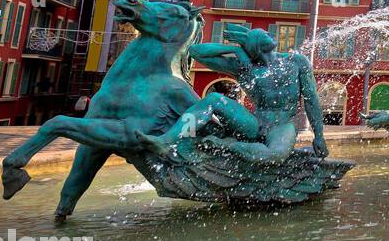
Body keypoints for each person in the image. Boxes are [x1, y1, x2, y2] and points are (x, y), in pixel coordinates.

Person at [139, 23, 328, 161]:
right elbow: (195, 51)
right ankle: (167, 140)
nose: (270, 34)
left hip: (282, 125)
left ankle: (224, 145)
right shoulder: (244, 68)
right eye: (263, 33)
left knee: (275, 156)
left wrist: (318, 136)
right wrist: (233, 50)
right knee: (213, 99)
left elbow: (311, 99)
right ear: (254, 44)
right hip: (253, 123)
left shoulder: (296, 62)